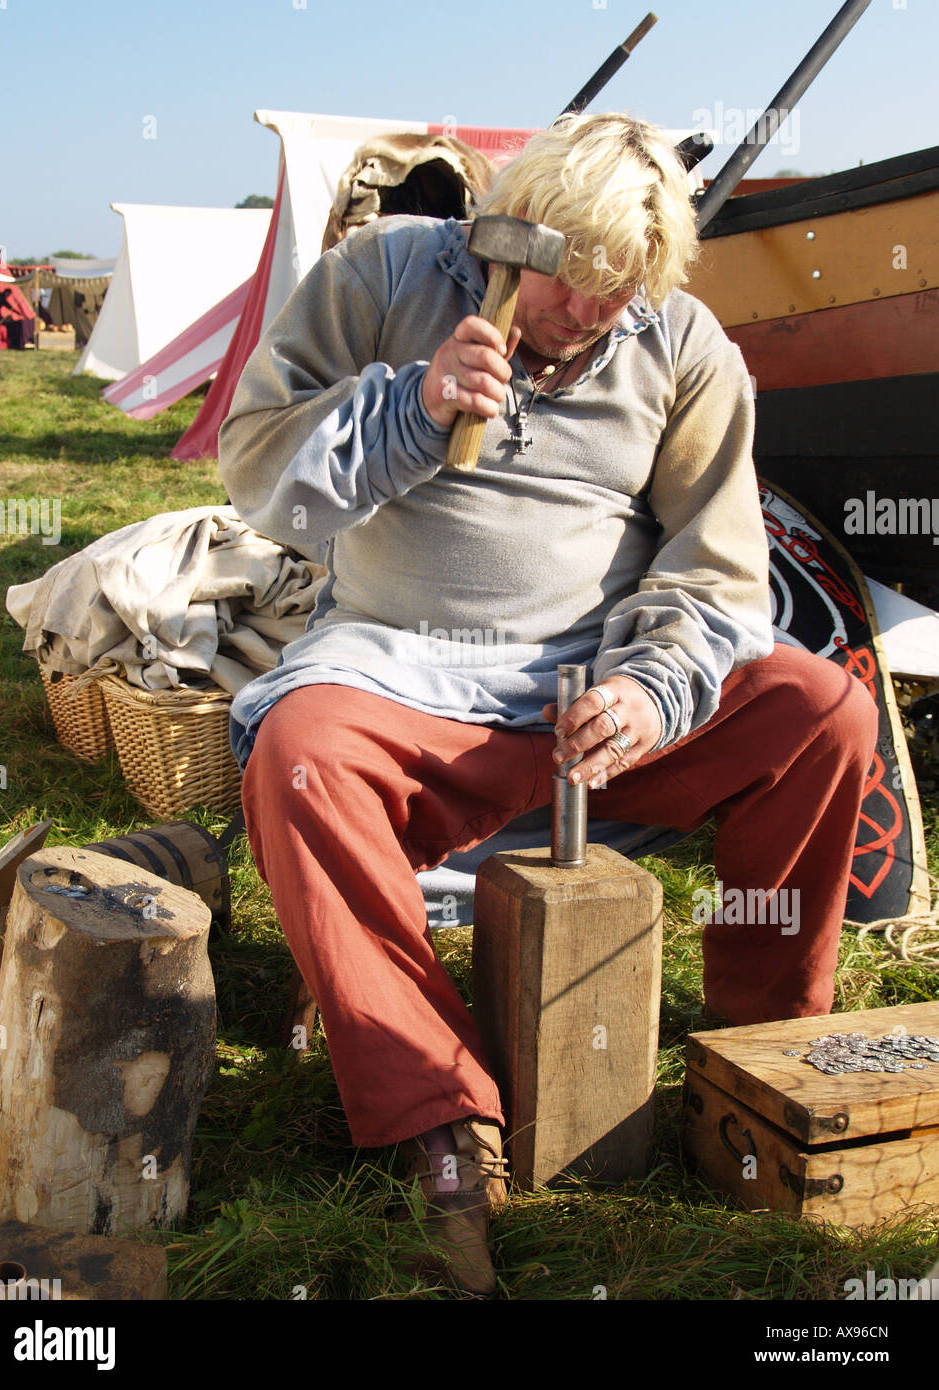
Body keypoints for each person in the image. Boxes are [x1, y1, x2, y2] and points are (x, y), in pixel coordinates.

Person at [218, 112, 879, 1296]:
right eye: (576, 280)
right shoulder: (382, 277)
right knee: (303, 755)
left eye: (627, 288)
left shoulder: (678, 345)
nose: (592, 314)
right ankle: (441, 1124)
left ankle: (762, 1055)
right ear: (508, 235)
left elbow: (716, 573)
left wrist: (649, 689)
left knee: (820, 712)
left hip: (591, 705)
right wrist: (406, 409)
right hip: (401, 683)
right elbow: (260, 470)